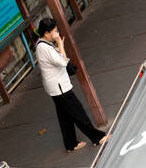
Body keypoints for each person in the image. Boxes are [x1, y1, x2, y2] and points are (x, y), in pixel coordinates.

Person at [35, 18, 104, 152]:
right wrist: (60, 43)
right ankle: (97, 137)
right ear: (47, 33)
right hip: (60, 87)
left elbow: (58, 58)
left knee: (64, 116)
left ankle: (70, 143)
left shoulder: (42, 44)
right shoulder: (44, 47)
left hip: (55, 87)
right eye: (54, 31)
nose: (56, 33)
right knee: (78, 112)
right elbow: (62, 62)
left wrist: (59, 46)